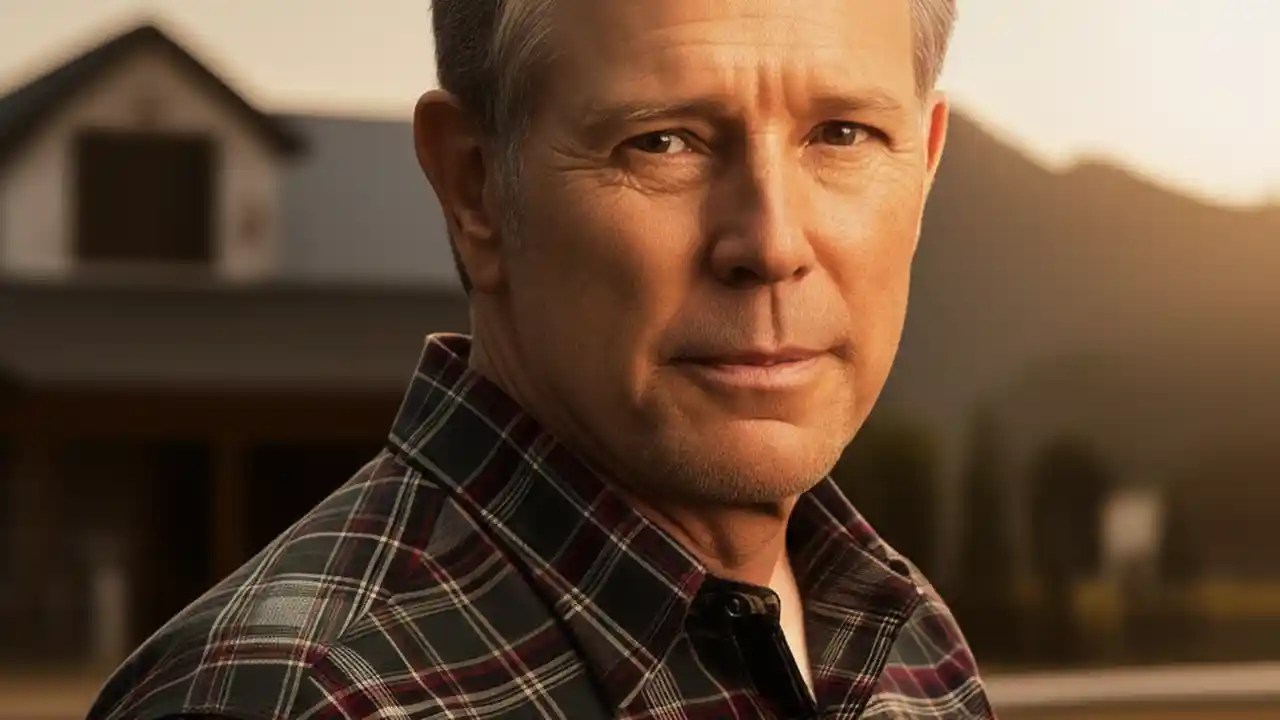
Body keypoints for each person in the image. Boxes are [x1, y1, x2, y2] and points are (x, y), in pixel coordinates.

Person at [89, 0, 993, 717]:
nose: (770, 241)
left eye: (841, 134)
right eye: (663, 140)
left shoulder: (914, 650)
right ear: (475, 186)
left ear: (926, 164)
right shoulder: (301, 700)